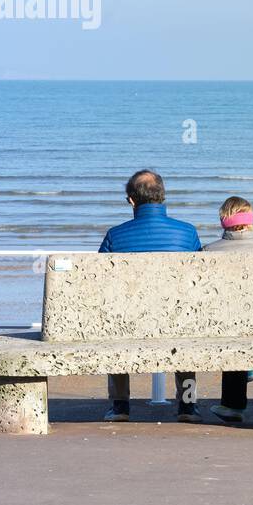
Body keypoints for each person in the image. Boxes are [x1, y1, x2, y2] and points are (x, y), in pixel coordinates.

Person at [98, 169, 203, 423]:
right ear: (162, 197)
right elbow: (200, 280)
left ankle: (121, 406)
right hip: (177, 321)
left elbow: (99, 281)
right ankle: (187, 406)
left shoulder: (115, 235)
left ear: (132, 201)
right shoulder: (187, 233)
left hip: (130, 321)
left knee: (117, 325)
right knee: (184, 327)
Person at [202, 195, 253, 424]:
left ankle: (232, 405)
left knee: (232, 324)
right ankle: (247, 369)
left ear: (222, 221)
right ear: (251, 220)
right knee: (243, 323)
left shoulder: (209, 251)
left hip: (225, 323)